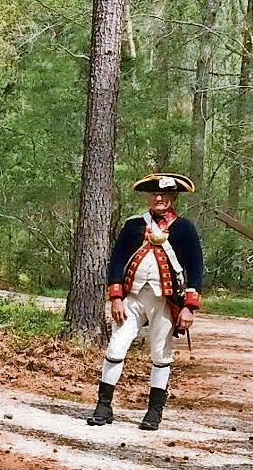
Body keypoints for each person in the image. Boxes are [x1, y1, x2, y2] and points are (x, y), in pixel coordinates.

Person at [87, 172, 204, 431]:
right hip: (133, 298)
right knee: (116, 347)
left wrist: (189, 306)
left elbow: (195, 266)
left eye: (164, 195)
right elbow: (117, 260)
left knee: (161, 354)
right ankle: (104, 406)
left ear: (173, 198)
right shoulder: (133, 226)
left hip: (165, 301)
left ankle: (153, 412)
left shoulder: (184, 228)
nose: (158, 198)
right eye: (154, 194)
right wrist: (116, 298)